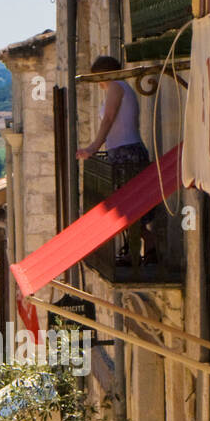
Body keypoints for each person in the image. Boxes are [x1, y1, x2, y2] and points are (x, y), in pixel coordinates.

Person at [76, 55, 157, 265]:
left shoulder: (116, 85)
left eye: (98, 78)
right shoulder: (120, 88)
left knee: (126, 206)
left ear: (104, 74)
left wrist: (93, 147)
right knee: (127, 207)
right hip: (122, 152)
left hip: (126, 152)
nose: (99, 83)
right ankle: (145, 247)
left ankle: (144, 246)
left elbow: (109, 119)